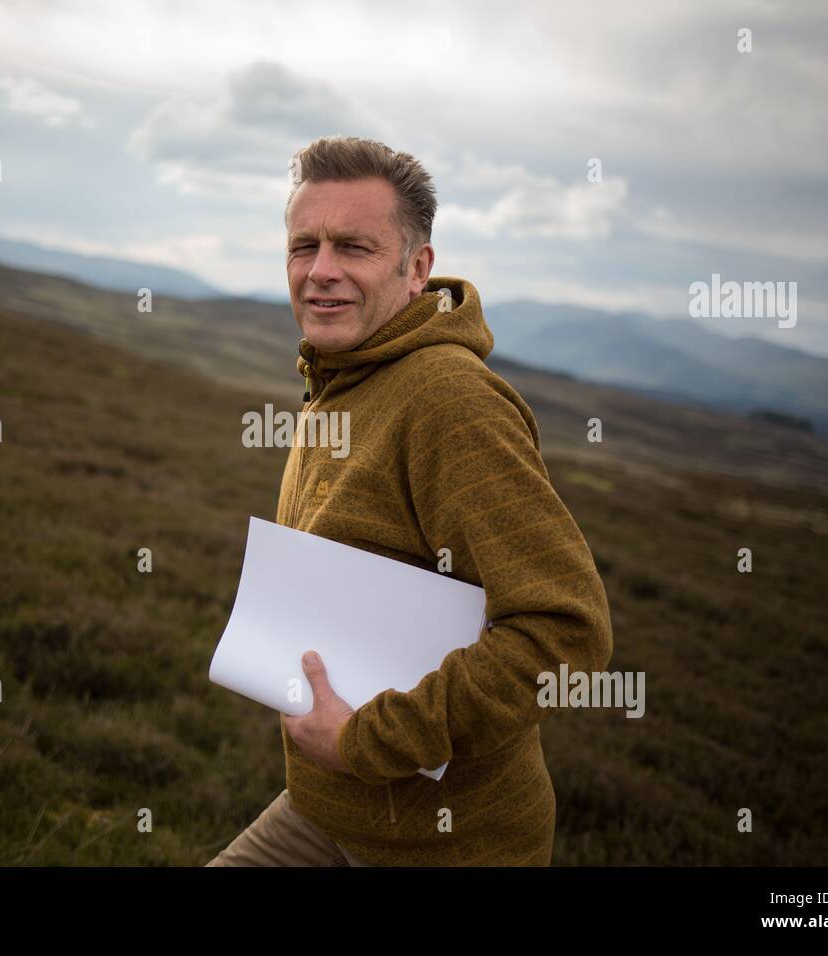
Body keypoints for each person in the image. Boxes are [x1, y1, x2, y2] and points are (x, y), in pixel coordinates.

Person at [207, 135, 613, 866]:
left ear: (417, 267)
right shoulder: (342, 373)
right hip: (328, 809)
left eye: (354, 247)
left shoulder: (450, 402)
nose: (321, 272)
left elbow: (565, 636)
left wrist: (369, 740)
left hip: (444, 844)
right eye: (305, 246)